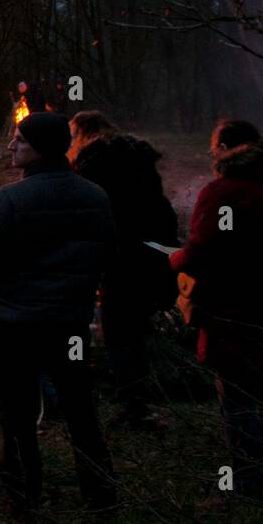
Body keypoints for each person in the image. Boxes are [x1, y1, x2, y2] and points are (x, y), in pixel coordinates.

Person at [0, 110, 118, 514]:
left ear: (41, 148)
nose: (11, 145)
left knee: (17, 413)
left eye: (20, 139)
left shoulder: (12, 198)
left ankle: (21, 495)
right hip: (69, 322)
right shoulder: (95, 196)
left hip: (16, 323)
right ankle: (100, 494)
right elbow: (108, 253)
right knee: (80, 408)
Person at [172, 120, 263, 499]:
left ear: (225, 148)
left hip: (234, 309)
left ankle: (248, 481)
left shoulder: (225, 191)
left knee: (238, 393)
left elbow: (205, 248)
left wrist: (175, 261)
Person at [70, 121, 178, 427]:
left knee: (120, 331)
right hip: (147, 262)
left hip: (123, 267)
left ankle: (133, 401)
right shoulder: (144, 179)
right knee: (132, 330)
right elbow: (165, 224)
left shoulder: (100, 179)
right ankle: (136, 396)